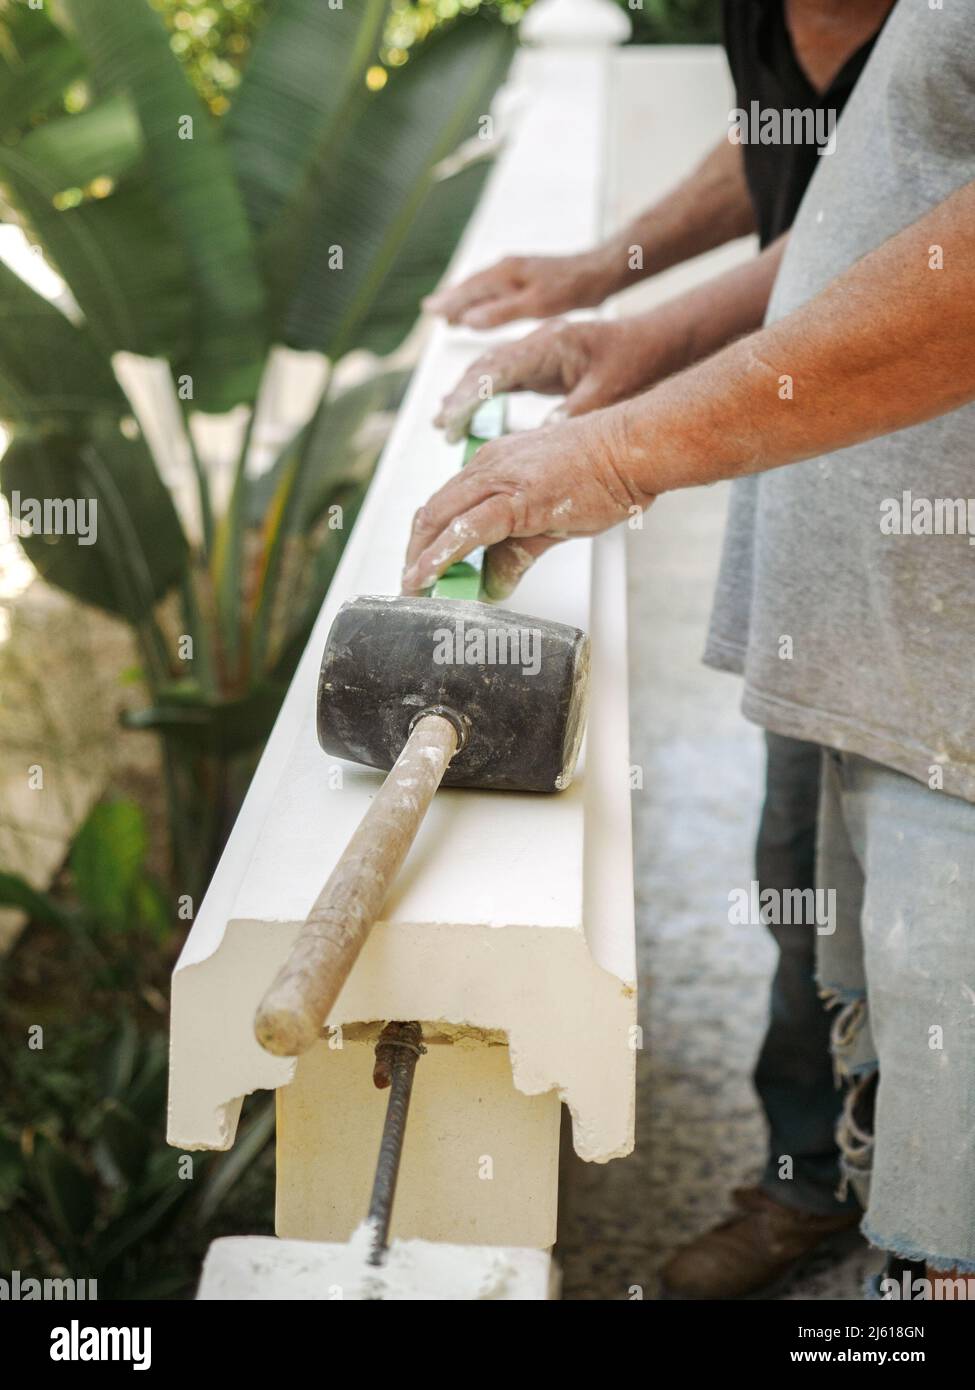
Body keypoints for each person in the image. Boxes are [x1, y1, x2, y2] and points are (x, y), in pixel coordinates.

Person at [409, 0, 975, 1298]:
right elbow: (872, 202)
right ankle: (831, 1185)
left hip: (948, 640)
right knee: (826, 911)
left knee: (947, 1011)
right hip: (867, 614)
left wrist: (626, 448)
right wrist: (639, 324)